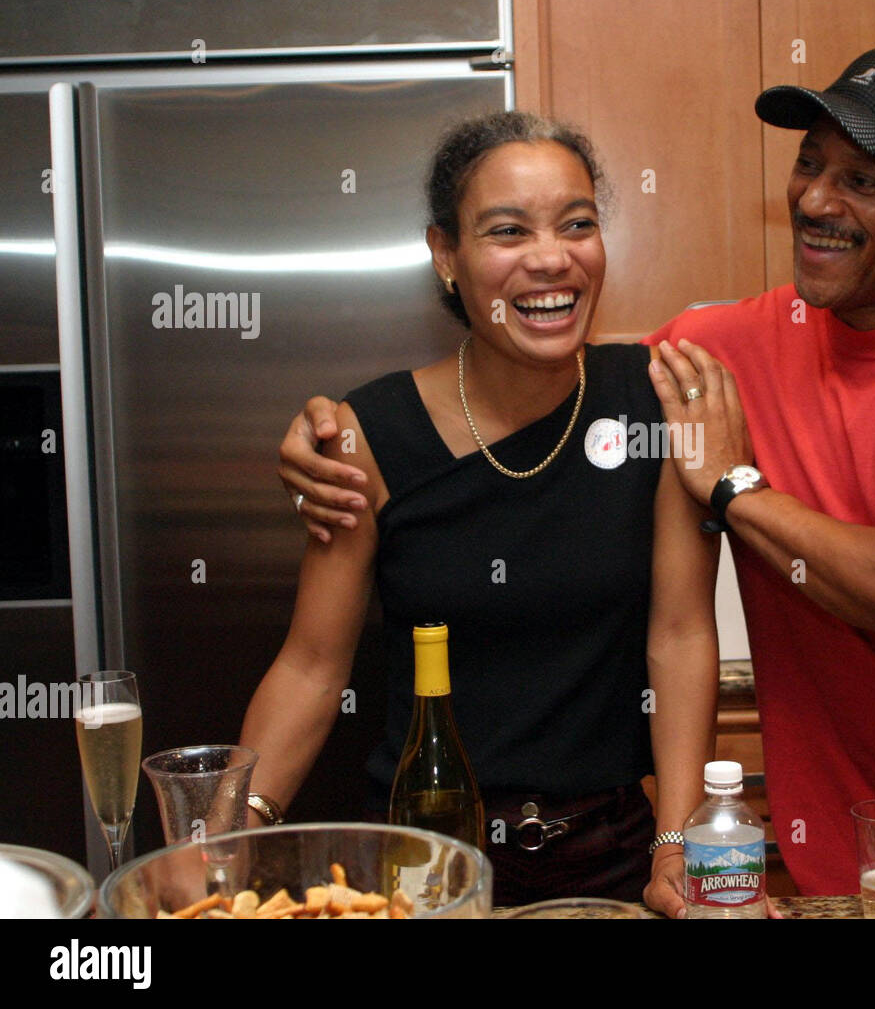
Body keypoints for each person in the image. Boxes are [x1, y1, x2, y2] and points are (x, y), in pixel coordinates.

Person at [280, 48, 875, 894]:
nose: (817, 199)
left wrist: (736, 487)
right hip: (865, 872)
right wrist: (334, 431)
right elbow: (545, 360)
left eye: (863, 181)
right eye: (810, 164)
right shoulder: (727, 351)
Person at [242, 111, 721, 914]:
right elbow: (311, 667)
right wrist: (229, 831)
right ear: (447, 256)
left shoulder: (654, 401)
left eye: (578, 223)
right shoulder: (366, 433)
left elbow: (679, 634)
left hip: (610, 858)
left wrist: (677, 845)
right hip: (423, 861)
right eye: (507, 231)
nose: (550, 258)